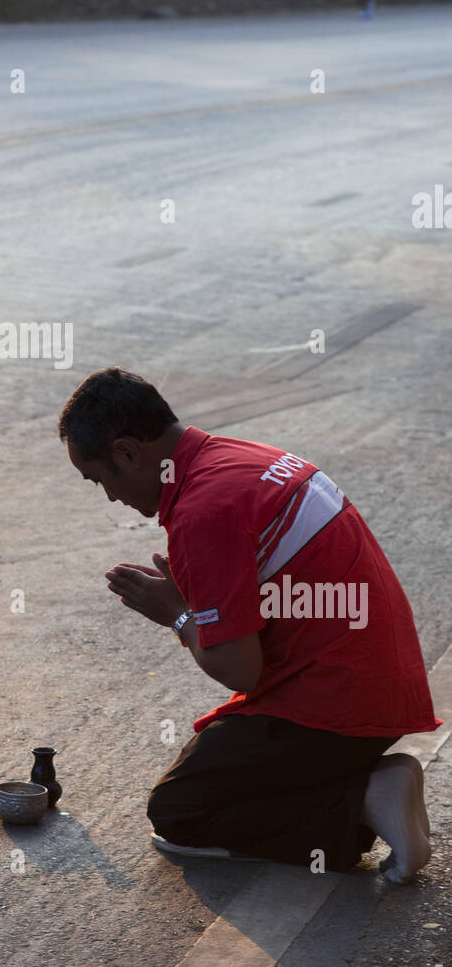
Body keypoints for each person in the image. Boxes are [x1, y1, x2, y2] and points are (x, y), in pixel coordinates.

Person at [59, 367, 440, 884]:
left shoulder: (201, 513)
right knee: (224, 762)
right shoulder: (242, 457)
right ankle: (366, 784)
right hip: (383, 682)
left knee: (180, 810)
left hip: (338, 705)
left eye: (100, 479)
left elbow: (240, 670)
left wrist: (178, 613)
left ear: (127, 453)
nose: (109, 497)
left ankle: (365, 802)